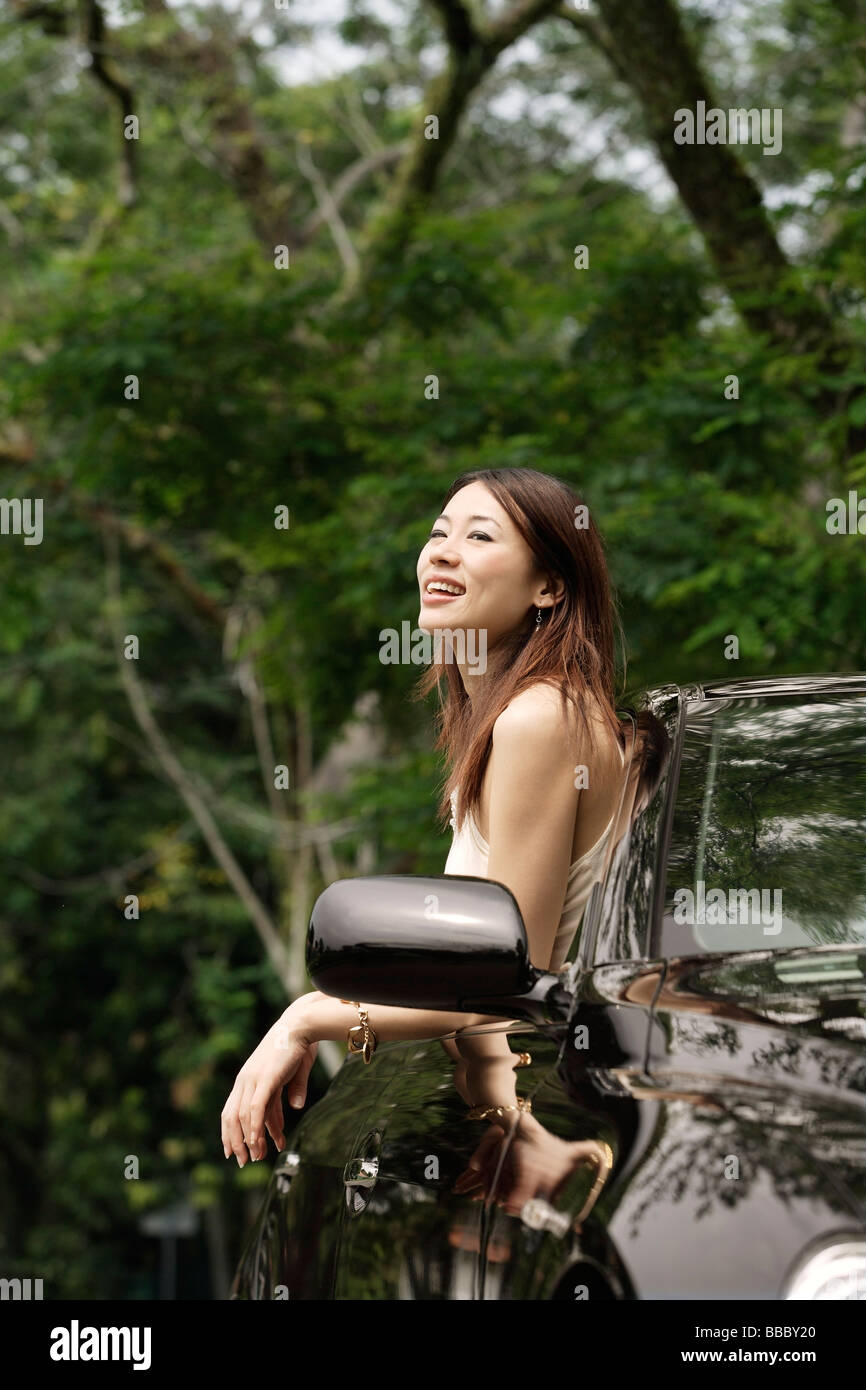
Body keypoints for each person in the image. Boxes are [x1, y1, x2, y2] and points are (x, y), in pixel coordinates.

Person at [220, 467, 667, 1168]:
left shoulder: (541, 719)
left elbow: (509, 985)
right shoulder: (525, 716)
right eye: (437, 535)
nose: (441, 552)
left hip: (537, 1133)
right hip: (515, 1112)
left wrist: (310, 1017)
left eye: (479, 536)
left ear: (549, 587)